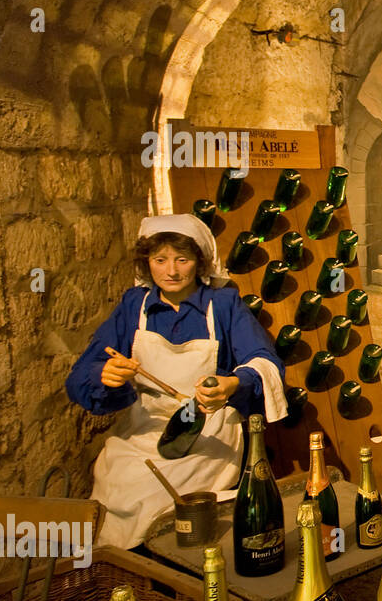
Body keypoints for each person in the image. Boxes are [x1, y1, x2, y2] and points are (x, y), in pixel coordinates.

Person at [65, 215, 286, 549]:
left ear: (200, 262)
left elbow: (264, 361)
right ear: (147, 262)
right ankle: (124, 572)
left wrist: (232, 385)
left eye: (182, 260)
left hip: (208, 430)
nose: (171, 271)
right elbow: (83, 371)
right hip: (145, 427)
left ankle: (172, 570)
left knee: (153, 496)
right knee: (116, 476)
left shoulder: (222, 305)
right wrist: (105, 375)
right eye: (160, 260)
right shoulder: (134, 306)